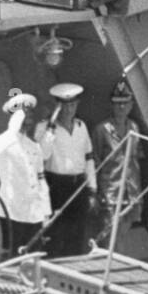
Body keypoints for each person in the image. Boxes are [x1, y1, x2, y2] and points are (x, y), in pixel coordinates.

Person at [36, 82, 96, 258]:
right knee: (55, 234)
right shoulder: (44, 128)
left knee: (78, 235)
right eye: (65, 105)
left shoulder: (81, 127)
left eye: (72, 105)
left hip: (78, 186)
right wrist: (51, 128)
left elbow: (89, 159)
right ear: (57, 107)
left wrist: (92, 189)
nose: (69, 109)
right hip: (56, 186)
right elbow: (43, 155)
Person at [0, 91, 50, 254]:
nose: (28, 118)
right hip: (11, 212)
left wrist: (46, 212)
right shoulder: (3, 142)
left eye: (30, 114)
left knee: (34, 258)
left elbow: (41, 180)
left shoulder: (34, 146)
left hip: (33, 213)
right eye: (24, 113)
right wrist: (12, 128)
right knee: (11, 257)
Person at [92, 78, 142, 252]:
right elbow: (96, 163)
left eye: (125, 103)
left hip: (131, 191)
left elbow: (137, 159)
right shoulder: (102, 130)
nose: (121, 107)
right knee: (110, 236)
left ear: (131, 105)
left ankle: (115, 269)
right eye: (117, 103)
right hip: (111, 192)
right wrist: (97, 193)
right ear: (112, 105)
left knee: (122, 234)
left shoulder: (134, 128)